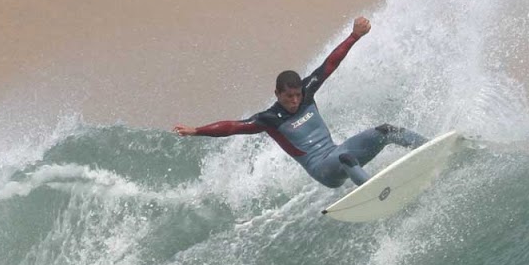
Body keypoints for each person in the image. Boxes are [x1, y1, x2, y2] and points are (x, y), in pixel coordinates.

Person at [174, 16, 426, 188]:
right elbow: (231, 127)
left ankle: (428, 147)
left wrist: (354, 36)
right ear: (277, 94)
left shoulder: (307, 93)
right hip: (322, 170)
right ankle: (374, 193)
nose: (294, 101)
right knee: (346, 157)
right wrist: (196, 131)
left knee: (385, 130)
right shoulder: (270, 119)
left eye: (297, 95)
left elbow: (330, 63)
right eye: (288, 97)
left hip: (337, 152)